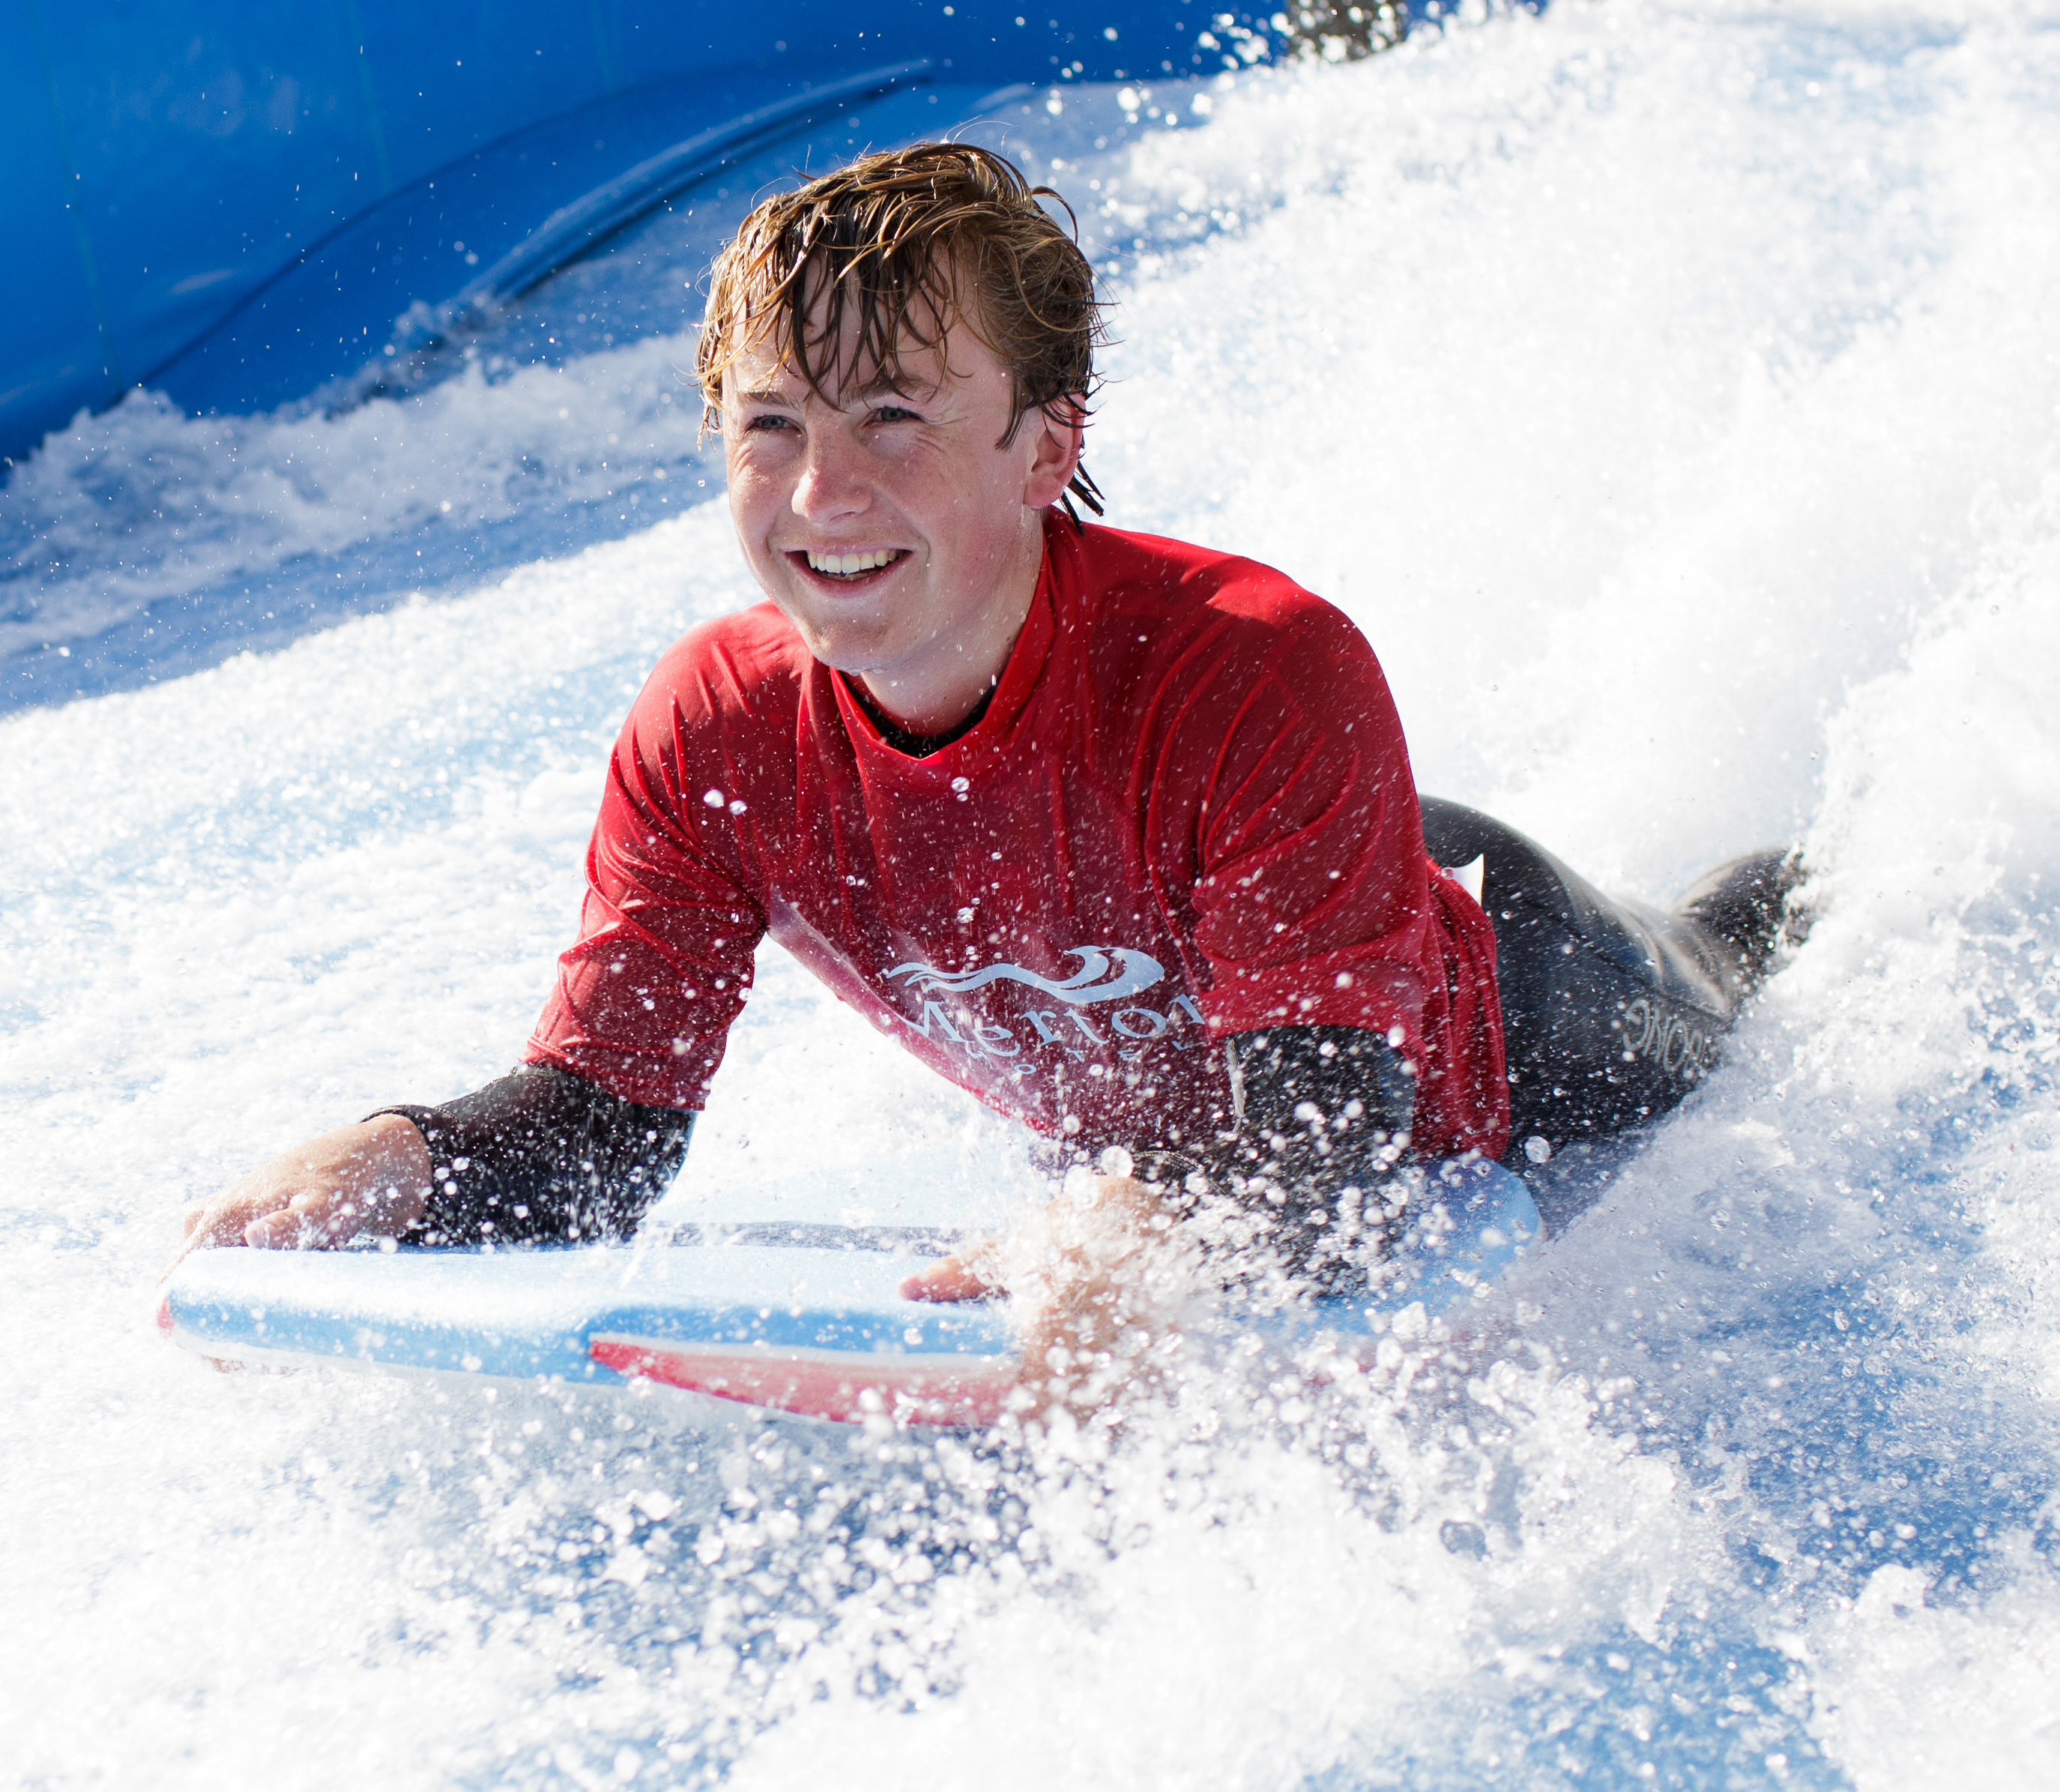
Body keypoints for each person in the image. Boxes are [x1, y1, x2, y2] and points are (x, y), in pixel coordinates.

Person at [178, 141, 1801, 1388]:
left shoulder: (1257, 662)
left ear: (1048, 441)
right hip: (1259, 916)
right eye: (768, 425)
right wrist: (406, 1159)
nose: (820, 494)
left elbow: (1332, 1165)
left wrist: (1142, 1226)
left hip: (1519, 1004)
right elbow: (608, 1128)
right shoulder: (715, 733)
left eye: (893, 414)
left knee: (1754, 950)